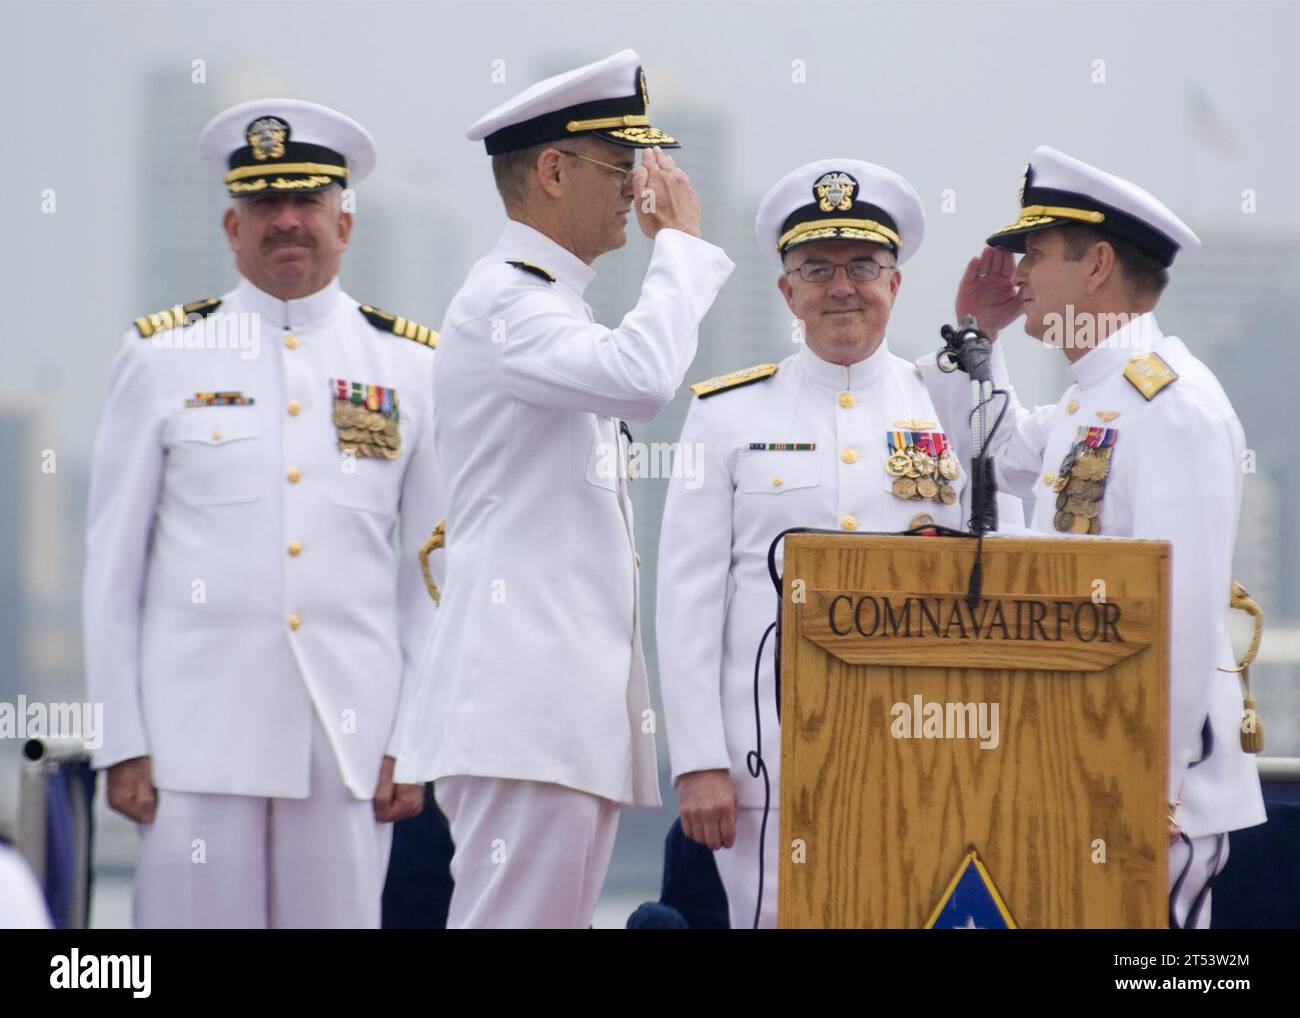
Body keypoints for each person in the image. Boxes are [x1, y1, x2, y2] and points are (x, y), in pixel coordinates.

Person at [393, 49, 734, 928]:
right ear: (552, 171)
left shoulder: (555, 306)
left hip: (558, 718)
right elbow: (644, 378)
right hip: (520, 713)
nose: (635, 189)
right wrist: (682, 248)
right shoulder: (506, 302)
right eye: (620, 169)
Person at [83, 99, 442, 928]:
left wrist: (416, 737)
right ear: (230, 227)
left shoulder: (411, 365)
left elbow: (430, 575)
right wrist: (122, 740)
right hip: (193, 737)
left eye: (307, 202)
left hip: (350, 737)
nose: (287, 222)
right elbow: (113, 569)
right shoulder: (161, 356)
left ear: (343, 223)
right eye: (263, 206)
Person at [656, 159, 1022, 929]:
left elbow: (1009, 536)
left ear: (895, 284)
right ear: (787, 292)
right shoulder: (726, 414)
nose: (841, 287)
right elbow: (686, 599)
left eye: (863, 266)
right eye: (816, 269)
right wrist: (697, 760)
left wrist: (983, 340)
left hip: (924, 741)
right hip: (769, 751)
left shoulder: (944, 398)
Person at [942, 144, 1266, 928]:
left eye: (1037, 253)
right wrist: (974, 336)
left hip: (1146, 783)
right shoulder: (1098, 399)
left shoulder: (1171, 404)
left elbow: (1181, 616)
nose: (1017, 272)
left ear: (1098, 268)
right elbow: (994, 449)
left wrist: (1147, 782)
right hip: (1082, 758)